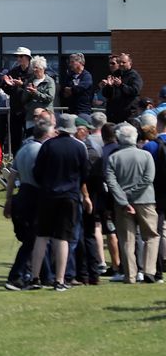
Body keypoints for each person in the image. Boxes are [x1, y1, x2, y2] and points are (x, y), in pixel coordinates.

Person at [26, 114, 89, 292]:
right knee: (62, 238)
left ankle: (35, 277)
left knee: (42, 236)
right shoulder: (80, 147)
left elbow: (37, 171)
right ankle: (60, 280)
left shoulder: (48, 145)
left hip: (48, 194)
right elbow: (85, 173)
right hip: (69, 196)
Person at [104, 123, 158, 284]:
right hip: (145, 200)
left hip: (122, 204)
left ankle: (130, 275)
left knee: (127, 239)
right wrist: (131, 194)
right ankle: (149, 270)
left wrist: (123, 197)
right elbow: (148, 179)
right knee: (151, 236)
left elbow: (111, 181)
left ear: (119, 138)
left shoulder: (114, 157)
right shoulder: (146, 155)